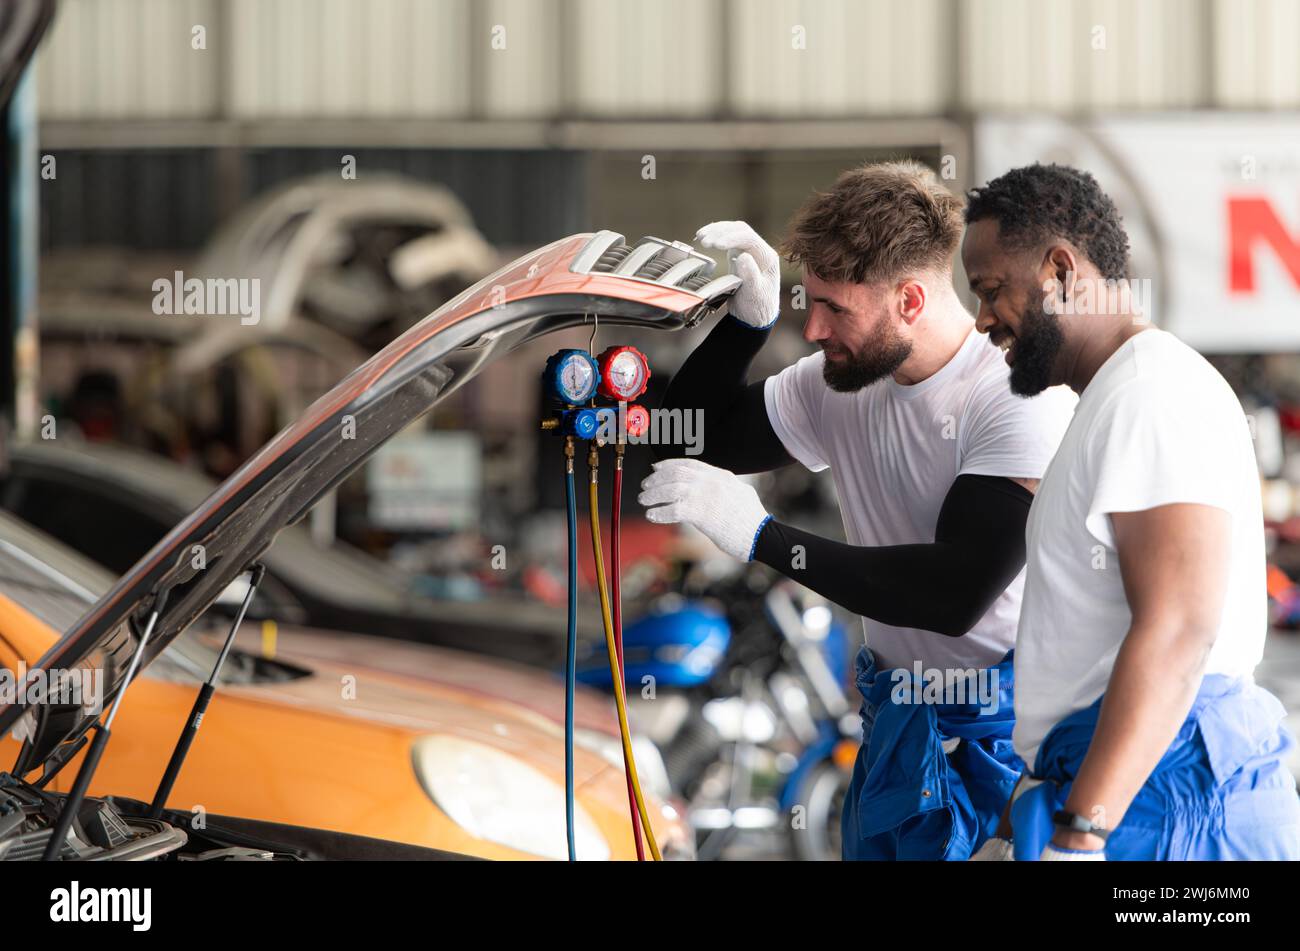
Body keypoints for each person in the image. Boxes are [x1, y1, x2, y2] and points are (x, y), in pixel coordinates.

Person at [639, 160, 1076, 859]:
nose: (811, 328)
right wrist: (744, 325)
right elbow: (696, 435)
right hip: (893, 716)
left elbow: (954, 591)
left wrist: (762, 536)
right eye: (804, 301)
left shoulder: (1015, 397)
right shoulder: (839, 382)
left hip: (997, 737)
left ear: (909, 300)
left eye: (834, 308)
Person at [960, 162, 1300, 861]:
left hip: (1171, 793)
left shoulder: (1151, 394)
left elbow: (1180, 628)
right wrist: (1025, 810)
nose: (983, 318)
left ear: (1060, 270)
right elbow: (1090, 648)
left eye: (993, 289)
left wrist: (1084, 829)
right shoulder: (1118, 397)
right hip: (1132, 778)